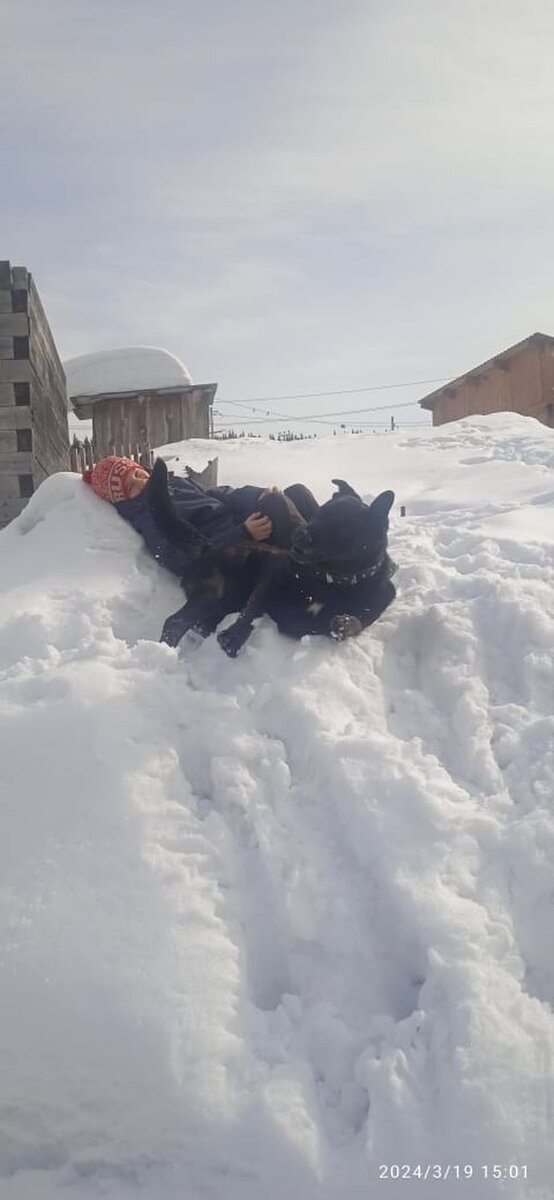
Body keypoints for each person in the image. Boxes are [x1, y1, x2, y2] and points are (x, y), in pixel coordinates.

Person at [82, 455, 319, 579]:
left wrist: (256, 496)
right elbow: (182, 558)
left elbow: (218, 494)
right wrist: (243, 533)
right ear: (124, 500)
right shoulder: (152, 518)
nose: (142, 483)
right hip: (240, 550)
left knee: (296, 492)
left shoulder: (172, 482)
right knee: (276, 505)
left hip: (246, 522)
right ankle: (317, 565)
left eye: (137, 474)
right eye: (131, 487)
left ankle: (333, 548)